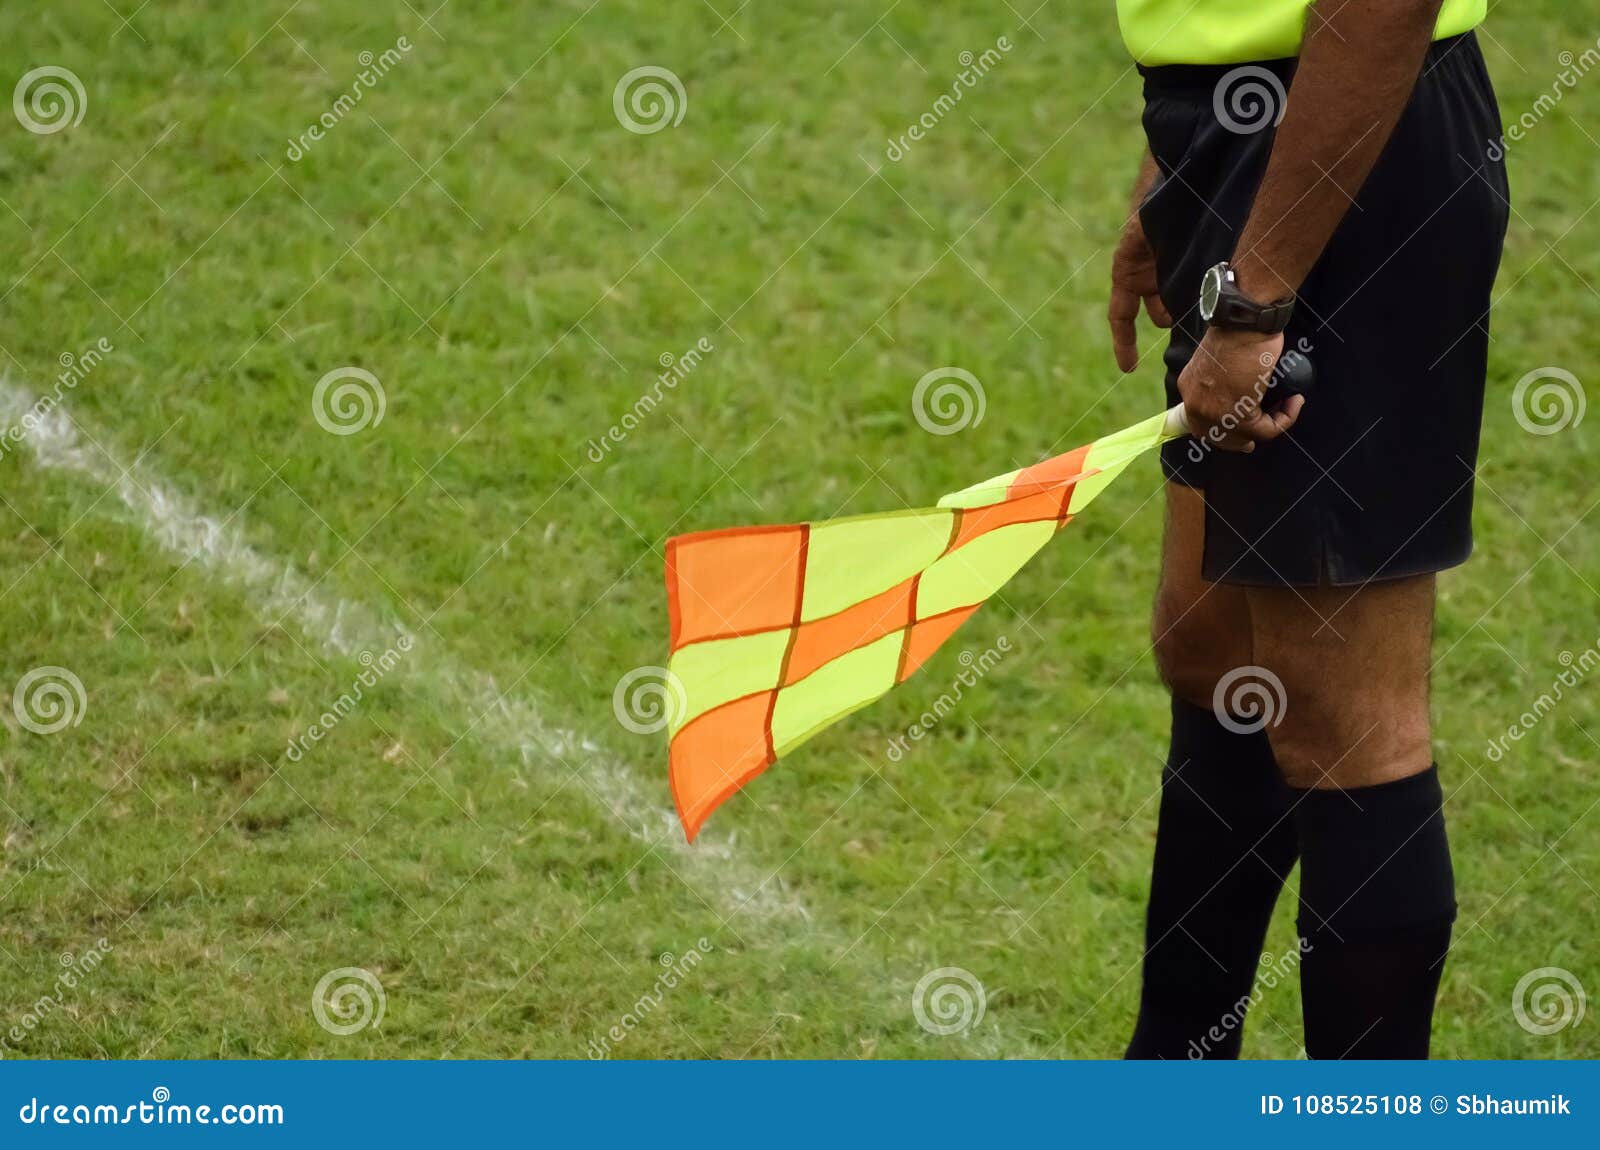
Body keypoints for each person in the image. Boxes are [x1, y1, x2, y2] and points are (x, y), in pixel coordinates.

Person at [1108, 0, 1508, 1058]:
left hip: (1343, 143)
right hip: (1243, 139)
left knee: (1341, 715)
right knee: (1212, 649)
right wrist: (1179, 163)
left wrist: (1254, 296)